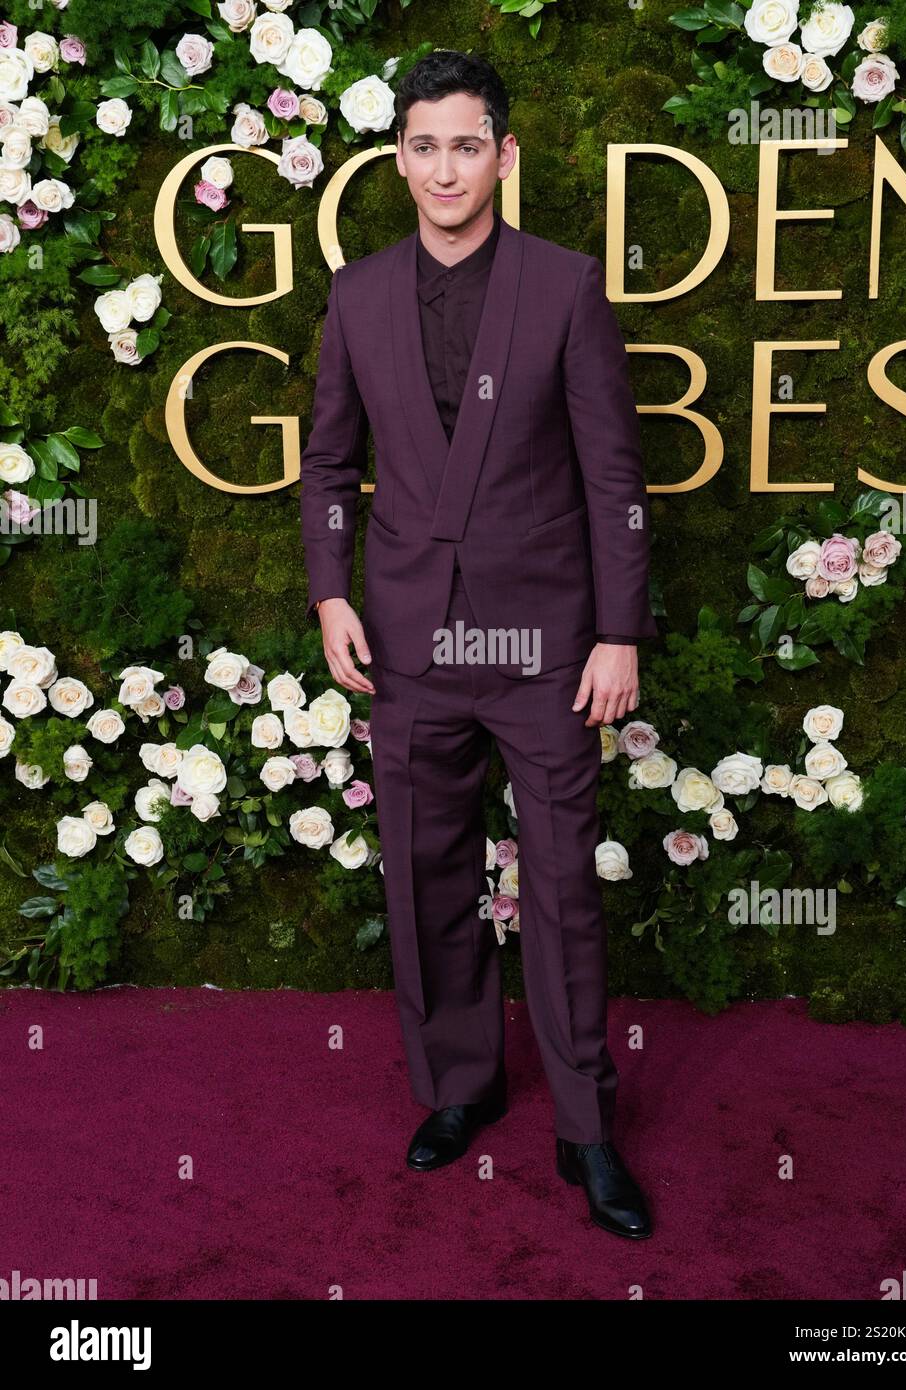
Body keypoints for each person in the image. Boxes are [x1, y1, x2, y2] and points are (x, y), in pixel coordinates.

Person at [300, 49, 658, 1239]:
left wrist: (617, 630)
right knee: (426, 876)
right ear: (397, 159)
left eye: (467, 144)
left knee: (559, 888)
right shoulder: (354, 297)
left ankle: (584, 1127)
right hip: (404, 639)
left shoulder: (564, 287)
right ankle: (459, 1087)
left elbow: (613, 473)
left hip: (548, 644)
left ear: (502, 156)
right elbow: (329, 465)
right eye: (423, 145)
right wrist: (327, 593)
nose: (444, 167)